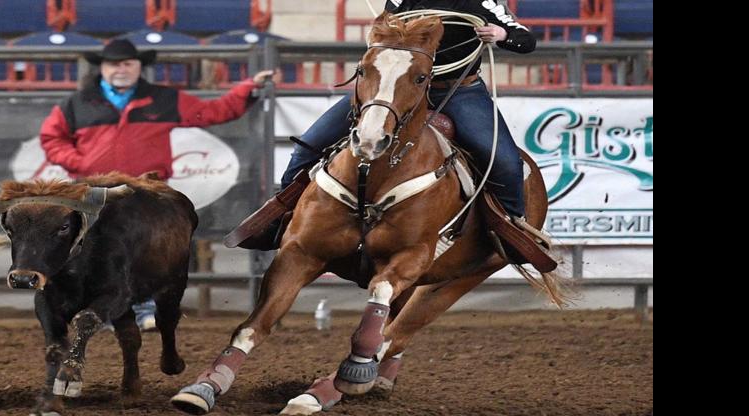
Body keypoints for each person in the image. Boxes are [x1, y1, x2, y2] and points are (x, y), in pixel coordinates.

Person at [228, 0, 544, 264]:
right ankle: (279, 215)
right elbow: (383, 36)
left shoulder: (481, 1)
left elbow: (526, 40)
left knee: (502, 159)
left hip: (458, 89)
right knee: (309, 144)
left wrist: (502, 34)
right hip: (397, 86)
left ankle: (511, 228)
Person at [39, 38, 274, 330]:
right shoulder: (77, 103)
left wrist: (246, 88)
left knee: (145, 250)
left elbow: (212, 111)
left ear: (139, 66)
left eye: (127, 63)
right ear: (103, 68)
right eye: (114, 64)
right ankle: (105, 310)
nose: (121, 69)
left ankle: (142, 308)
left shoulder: (163, 99)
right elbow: (52, 138)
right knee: (96, 251)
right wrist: (79, 162)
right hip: (97, 191)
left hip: (144, 191)